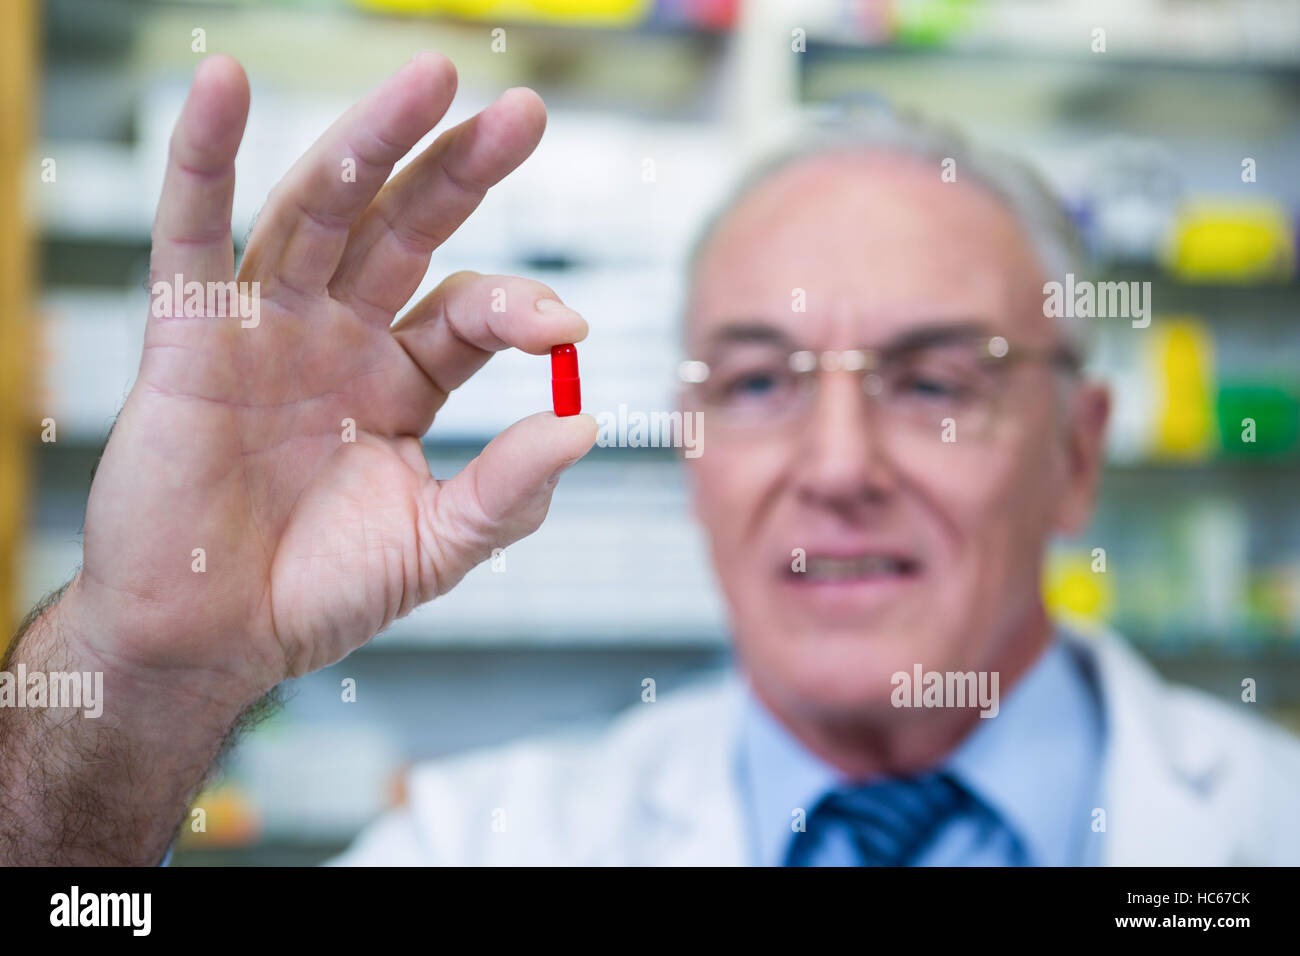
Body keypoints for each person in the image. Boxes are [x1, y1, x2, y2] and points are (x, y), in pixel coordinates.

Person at [1, 53, 1296, 867]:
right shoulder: (481, 844)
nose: (835, 465)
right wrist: (142, 678)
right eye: (756, 383)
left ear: (1076, 457)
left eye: (934, 382)